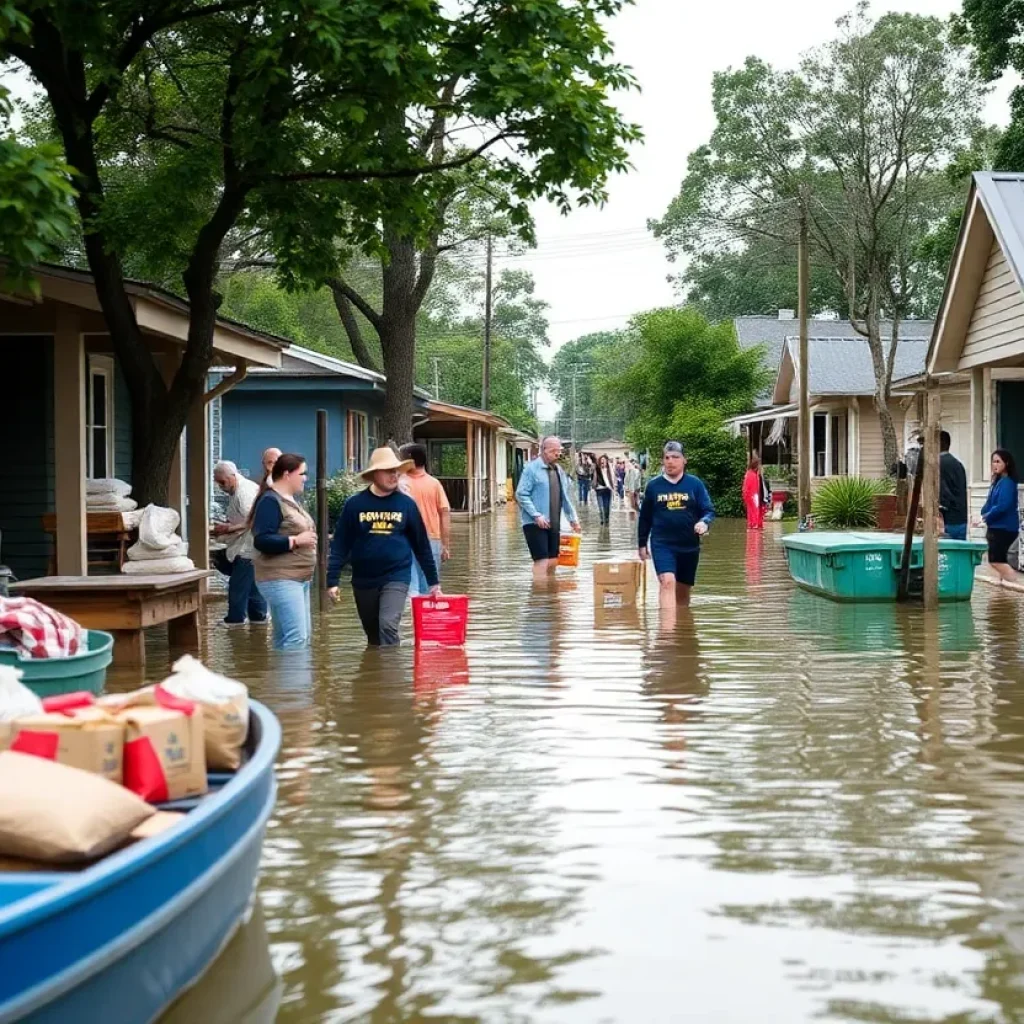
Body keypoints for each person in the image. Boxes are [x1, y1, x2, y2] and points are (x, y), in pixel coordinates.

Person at [327, 448, 440, 646]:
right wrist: (332, 581)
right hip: (363, 579)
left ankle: (391, 674)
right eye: (388, 471)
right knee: (373, 636)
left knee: (387, 625)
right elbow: (340, 544)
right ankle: (376, 673)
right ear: (374, 474)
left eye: (396, 470)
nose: (394, 475)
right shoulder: (354, 504)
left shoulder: (406, 504)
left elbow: (421, 545)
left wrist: (433, 583)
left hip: (397, 575)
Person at [251, 453, 317, 649]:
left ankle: (286, 678)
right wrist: (295, 540)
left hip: (298, 578)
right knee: (296, 639)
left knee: (289, 639)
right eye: (302, 473)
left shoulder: (288, 499)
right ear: (288, 474)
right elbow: (261, 540)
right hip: (281, 578)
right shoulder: (271, 501)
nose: (305, 478)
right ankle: (294, 679)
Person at [637, 440, 715, 607]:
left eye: (675, 457)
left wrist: (704, 522)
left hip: (689, 545)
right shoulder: (653, 486)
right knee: (667, 582)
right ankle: (667, 632)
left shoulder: (695, 484)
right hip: (662, 544)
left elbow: (708, 510)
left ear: (684, 460)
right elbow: (645, 517)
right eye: (667, 457)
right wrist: (642, 544)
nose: (670, 461)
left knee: (683, 591)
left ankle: (682, 629)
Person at [515, 436, 581, 579]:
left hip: (554, 522)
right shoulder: (531, 469)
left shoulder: (558, 470)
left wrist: (573, 519)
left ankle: (550, 595)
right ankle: (539, 596)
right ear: (543, 450)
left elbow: (564, 497)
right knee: (542, 560)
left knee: (553, 560)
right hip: (534, 523)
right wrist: (536, 515)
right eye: (553, 451)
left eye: (559, 451)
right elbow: (521, 494)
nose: (557, 454)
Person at [212, 460, 267, 626]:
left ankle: (235, 620)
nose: (221, 486)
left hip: (248, 548)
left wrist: (229, 528)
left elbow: (255, 520)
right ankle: (259, 618)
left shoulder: (244, 493)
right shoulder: (241, 490)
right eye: (218, 483)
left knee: (237, 587)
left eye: (223, 482)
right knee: (253, 587)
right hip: (251, 548)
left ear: (233, 476)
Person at [399, 442, 451, 596]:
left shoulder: (400, 483)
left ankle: (411, 618)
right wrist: (445, 544)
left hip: (405, 539)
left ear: (410, 460)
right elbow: (445, 513)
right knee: (430, 587)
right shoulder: (434, 484)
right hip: (432, 540)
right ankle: (422, 619)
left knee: (410, 587)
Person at [979, 448, 1020, 582]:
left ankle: (1016, 588)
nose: (994, 465)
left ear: (1006, 463)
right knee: (1000, 560)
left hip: (1004, 528)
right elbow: (990, 504)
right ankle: (1004, 592)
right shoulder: (997, 482)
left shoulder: (1007, 482)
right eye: (993, 462)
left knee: (996, 561)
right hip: (997, 527)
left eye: (998, 462)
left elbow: (1003, 506)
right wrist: (983, 514)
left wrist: (986, 517)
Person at [939, 430, 969, 541]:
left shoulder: (937, 464)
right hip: (961, 519)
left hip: (945, 521)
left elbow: (941, 492)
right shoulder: (958, 464)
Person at [742, 454, 770, 530]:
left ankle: (756, 530)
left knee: (756, 521)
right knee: (754, 522)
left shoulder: (756, 476)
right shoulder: (751, 475)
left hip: (757, 501)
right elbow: (746, 490)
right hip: (754, 500)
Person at [593, 454, 616, 526]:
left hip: (607, 490)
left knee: (607, 507)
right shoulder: (597, 469)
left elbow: (613, 479)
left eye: (604, 460)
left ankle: (606, 520)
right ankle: (602, 520)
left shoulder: (609, 469)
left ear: (606, 461)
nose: (602, 461)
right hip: (599, 490)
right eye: (601, 460)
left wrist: (614, 489)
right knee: (601, 507)